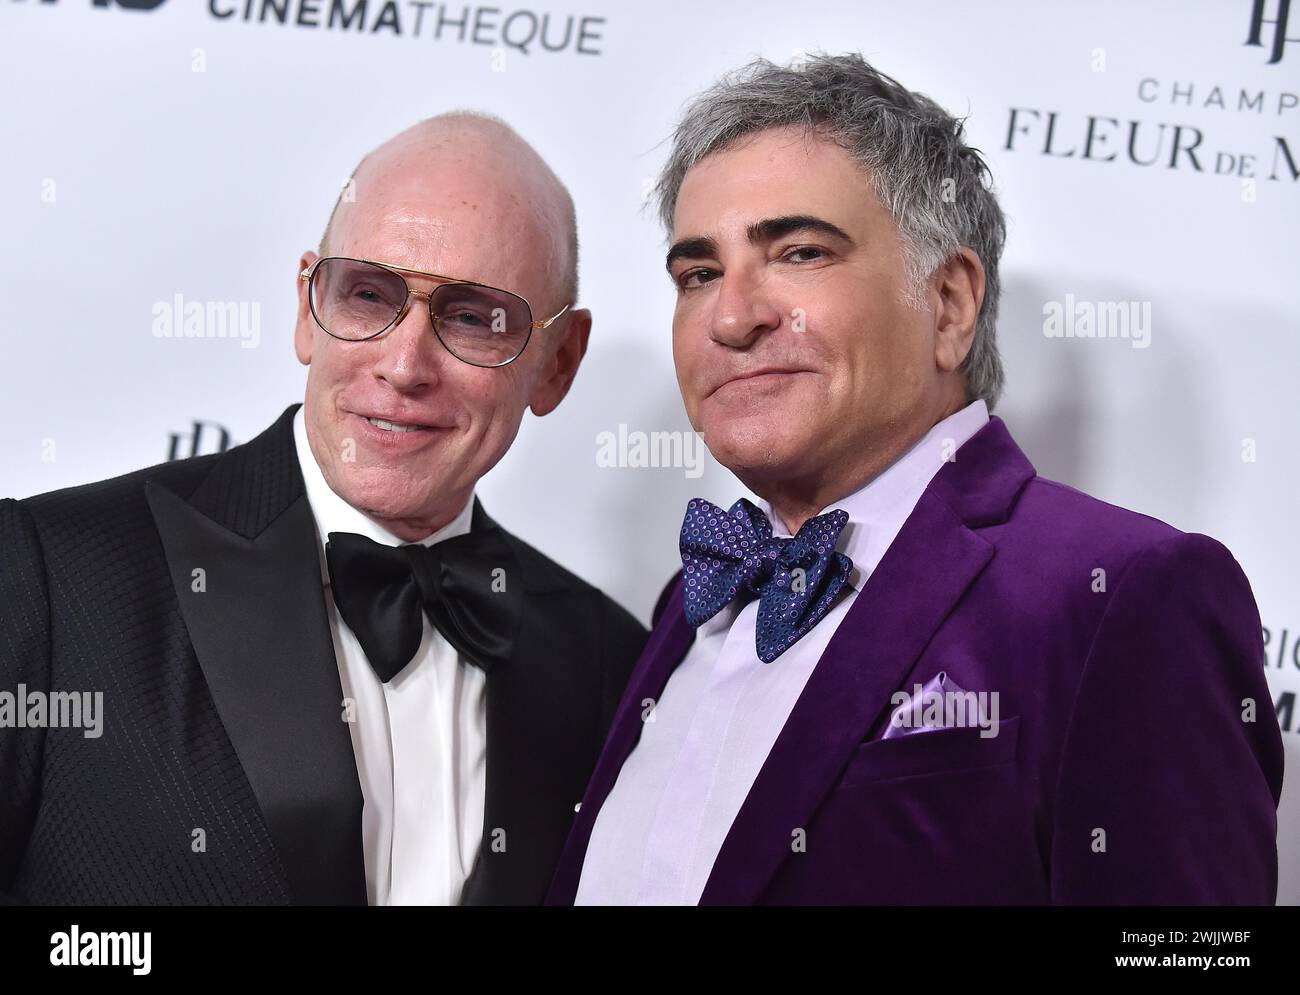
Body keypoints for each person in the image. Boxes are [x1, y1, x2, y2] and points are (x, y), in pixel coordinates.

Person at [547, 54, 1283, 905]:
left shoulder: (1122, 596)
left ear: (949, 303)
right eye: (699, 273)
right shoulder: (692, 597)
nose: (732, 315)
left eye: (799, 252)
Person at [0, 112, 647, 905]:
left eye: (474, 316)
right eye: (369, 294)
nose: (404, 365)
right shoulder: (52, 576)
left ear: (558, 363)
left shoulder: (610, 661)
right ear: (309, 307)